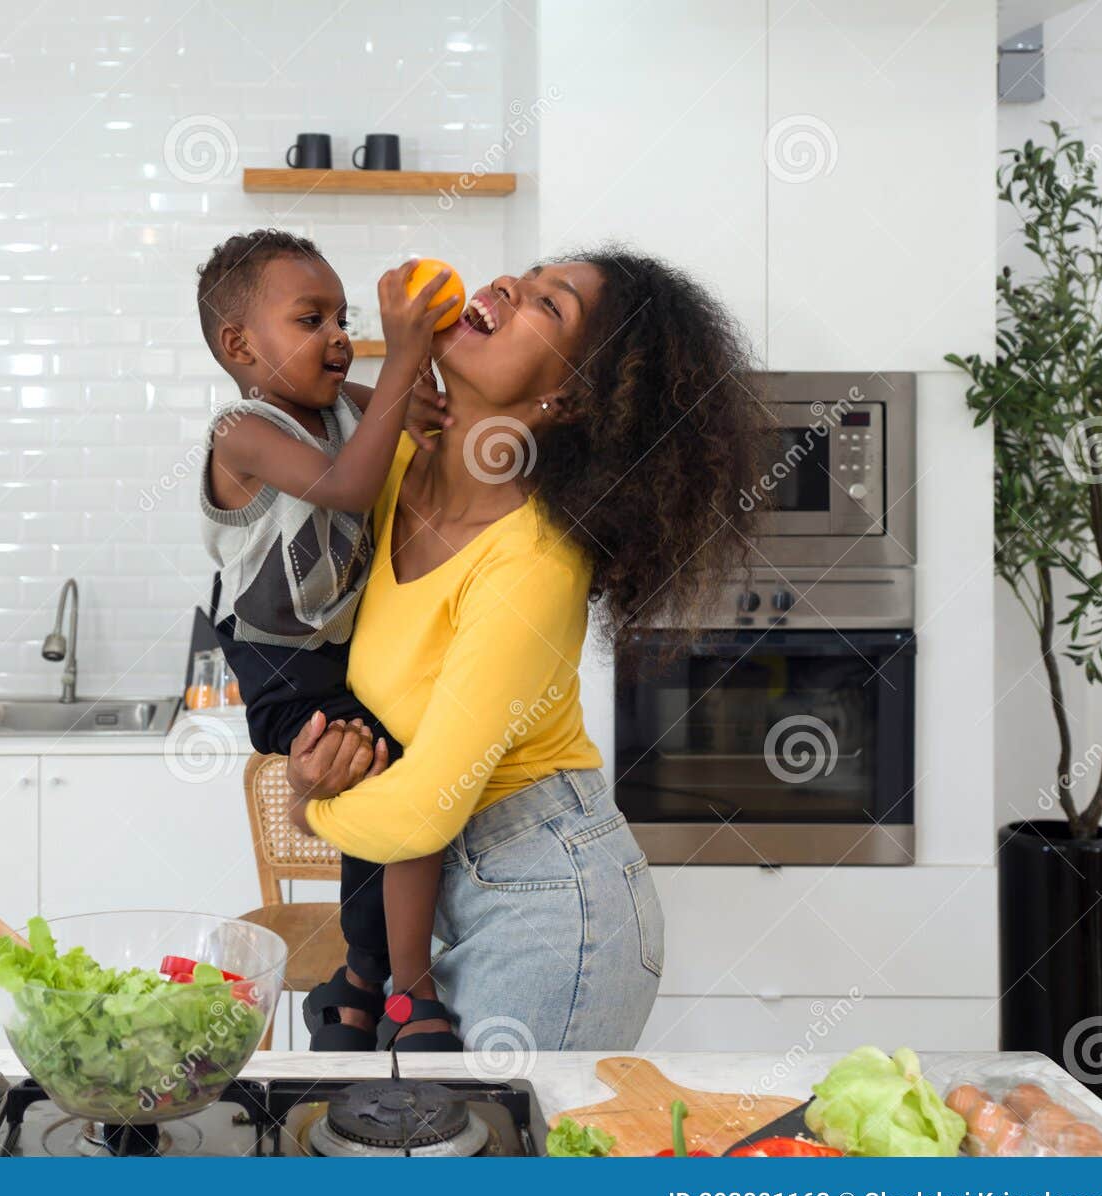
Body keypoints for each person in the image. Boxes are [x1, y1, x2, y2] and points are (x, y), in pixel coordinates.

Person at [286, 248, 769, 1049]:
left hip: (551, 900)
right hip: (435, 887)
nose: (507, 286)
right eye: (525, 275)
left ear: (571, 397)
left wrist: (307, 801)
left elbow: (421, 807)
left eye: (549, 306)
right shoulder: (397, 461)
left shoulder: (535, 561)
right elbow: (261, 420)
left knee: (508, 1172)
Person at [194, 229, 463, 1049]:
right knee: (387, 774)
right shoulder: (241, 430)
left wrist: (440, 373)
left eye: (344, 316)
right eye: (311, 319)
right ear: (240, 345)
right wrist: (406, 354)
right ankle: (402, 988)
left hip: (343, 648)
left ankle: (360, 985)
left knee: (380, 774)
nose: (340, 337)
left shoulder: (349, 404)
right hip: (278, 664)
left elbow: (420, 421)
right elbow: (347, 481)